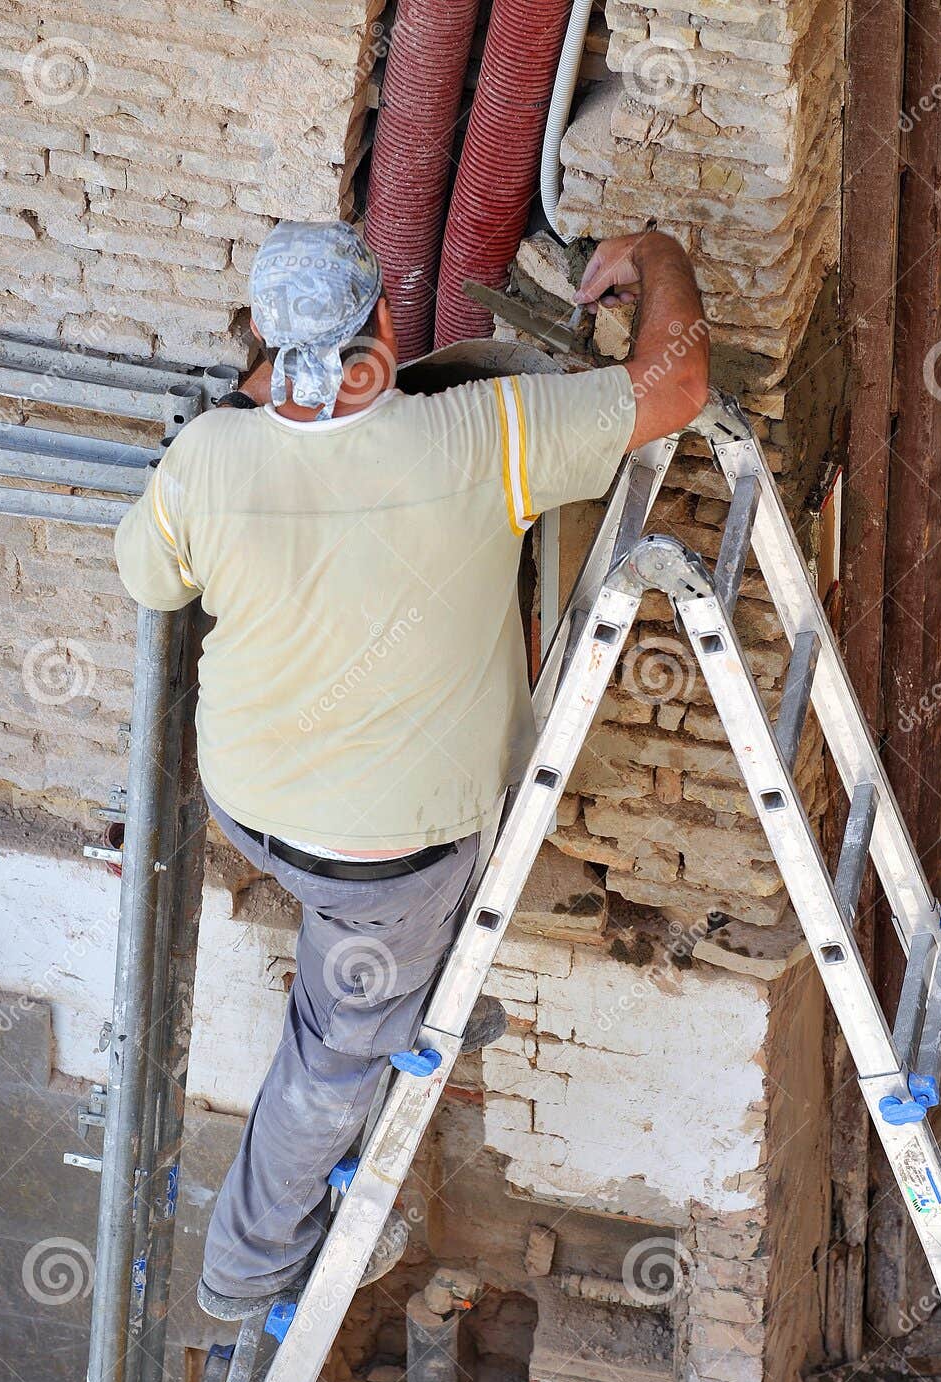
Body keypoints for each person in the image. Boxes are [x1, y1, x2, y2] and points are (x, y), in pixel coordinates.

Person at [114, 219, 709, 1320]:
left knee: (382, 950)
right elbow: (676, 386)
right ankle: (244, 1270)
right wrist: (661, 256)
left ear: (260, 345)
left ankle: (405, 990)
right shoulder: (487, 436)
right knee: (331, 1063)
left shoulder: (209, 457)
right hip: (386, 859)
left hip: (252, 802)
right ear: (384, 324)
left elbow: (151, 581)